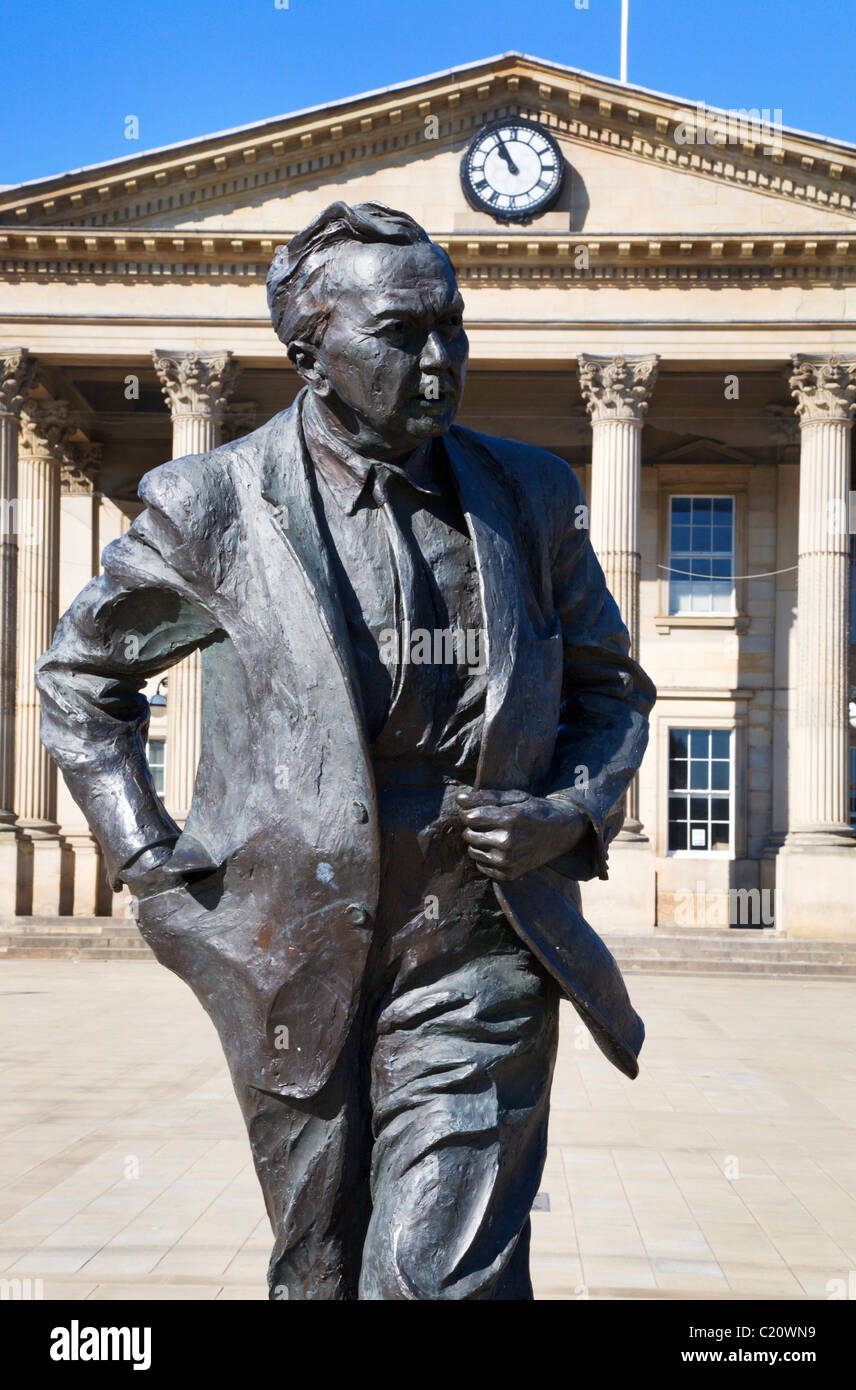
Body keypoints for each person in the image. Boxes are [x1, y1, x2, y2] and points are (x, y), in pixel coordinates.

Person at [37, 201, 655, 1300]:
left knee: (434, 1276)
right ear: (309, 348)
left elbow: (608, 691)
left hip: (482, 931)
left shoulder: (533, 492)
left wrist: (567, 812)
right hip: (283, 939)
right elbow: (82, 679)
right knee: (317, 1264)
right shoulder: (211, 502)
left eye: (451, 328)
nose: (438, 360)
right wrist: (149, 861)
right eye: (400, 333)